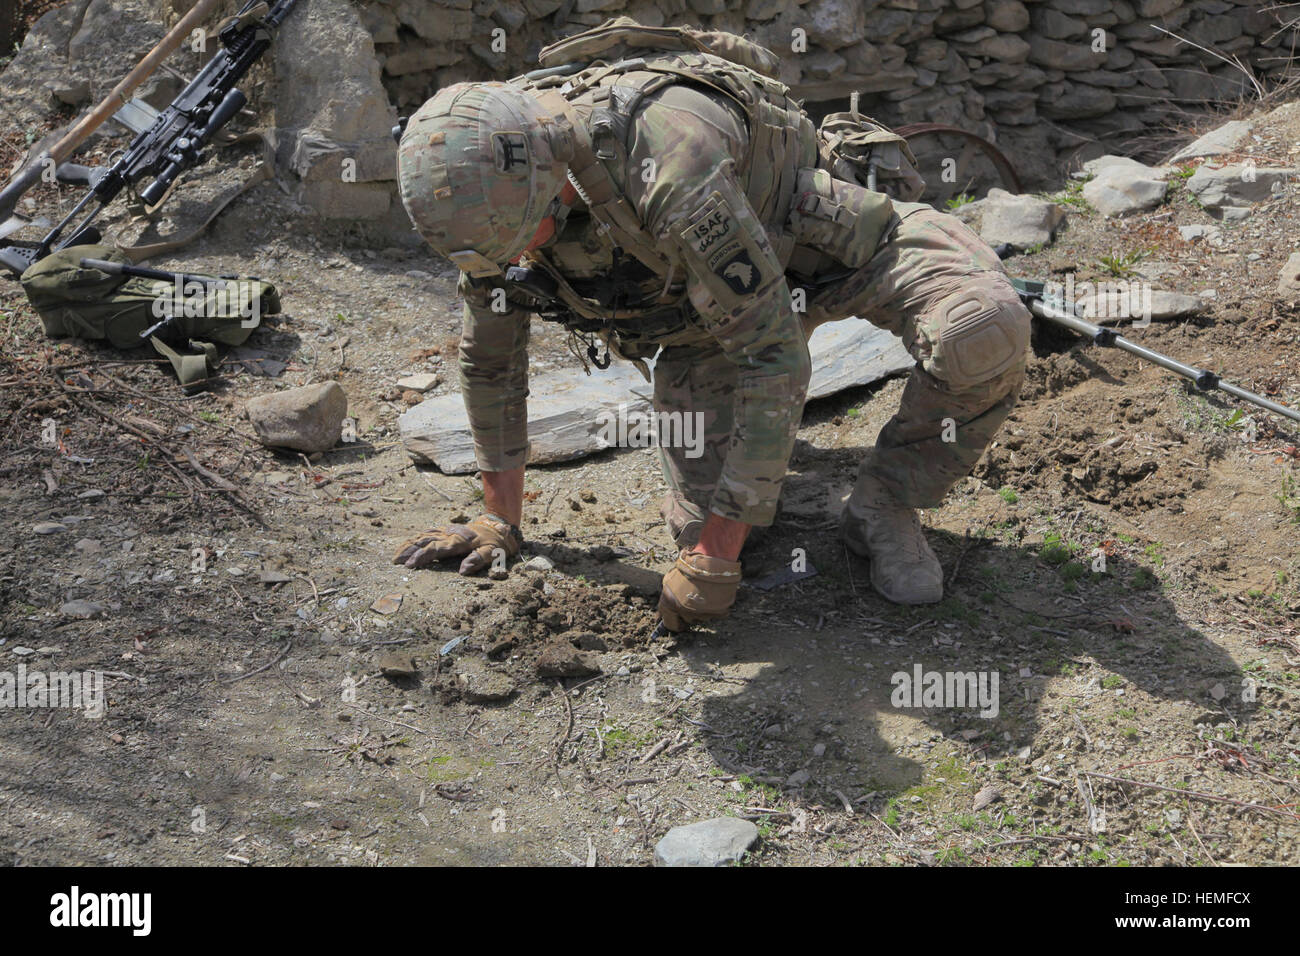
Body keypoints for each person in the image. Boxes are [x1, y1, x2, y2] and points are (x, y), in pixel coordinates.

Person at [391, 20, 1030, 632]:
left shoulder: (668, 161)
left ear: (554, 175)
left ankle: (886, 503)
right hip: (710, 316)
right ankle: (747, 497)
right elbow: (493, 363)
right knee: (708, 527)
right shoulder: (485, 199)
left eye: (515, 242)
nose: (509, 263)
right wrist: (497, 522)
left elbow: (774, 356)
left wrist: (715, 561)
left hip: (833, 249)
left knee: (981, 329)